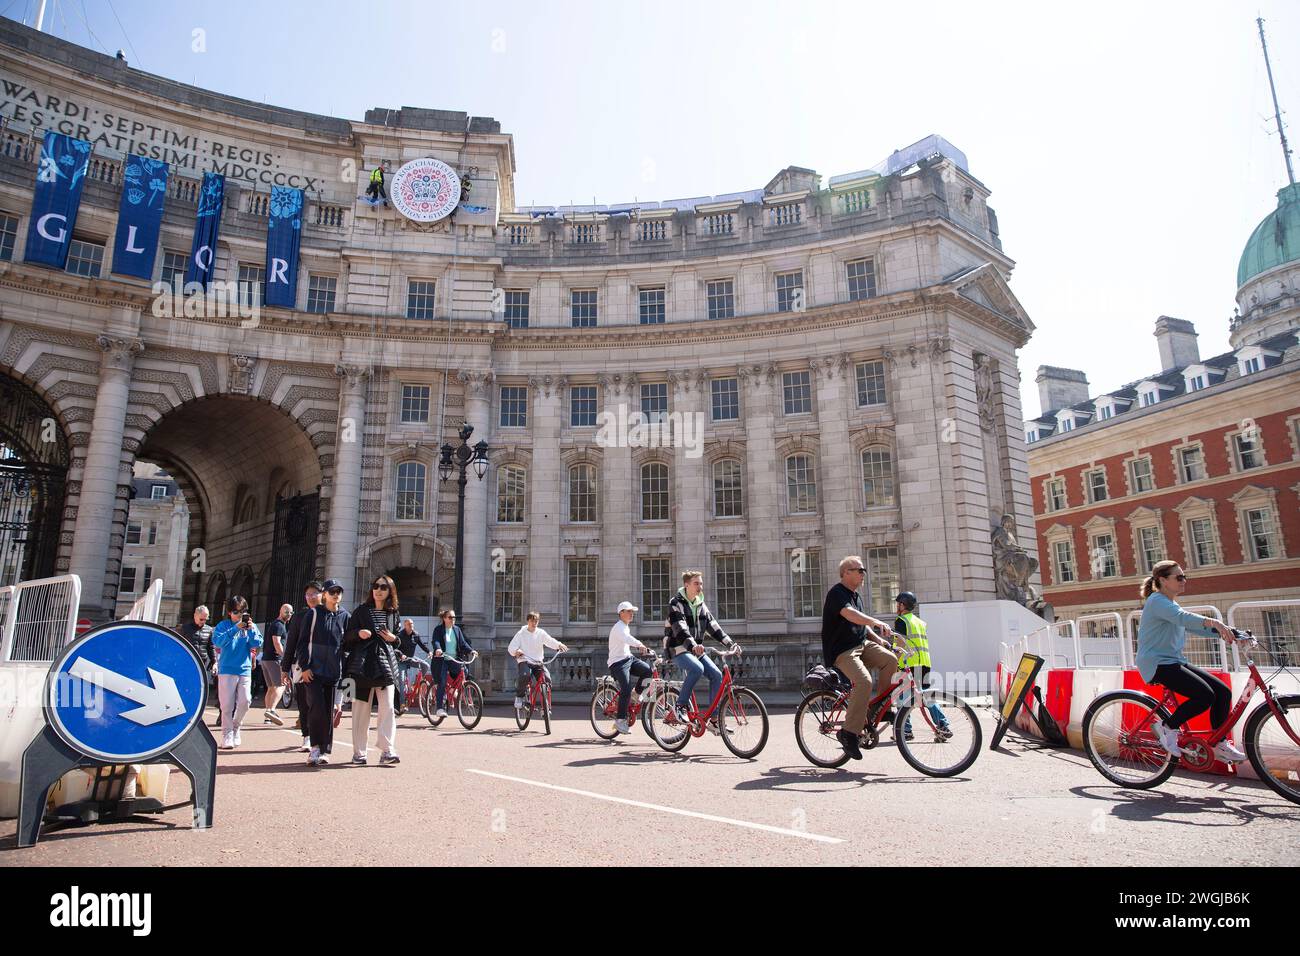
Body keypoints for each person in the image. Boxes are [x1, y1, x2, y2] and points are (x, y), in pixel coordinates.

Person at [1136, 560, 1245, 762]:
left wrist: (1231, 633)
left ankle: (1219, 743)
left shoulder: (1169, 603)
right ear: (1162, 580)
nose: (1184, 580)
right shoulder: (1157, 601)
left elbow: (1193, 627)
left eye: (1184, 576)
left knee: (1222, 692)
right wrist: (1215, 622)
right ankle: (1166, 726)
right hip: (1156, 663)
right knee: (1205, 695)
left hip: (1173, 661)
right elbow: (1183, 618)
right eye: (1179, 577)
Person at [821, 555, 903, 761]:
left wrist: (881, 641)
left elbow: (861, 625)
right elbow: (850, 615)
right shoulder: (837, 593)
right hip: (843, 651)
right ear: (846, 573)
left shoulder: (856, 596)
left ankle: (877, 710)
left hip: (861, 644)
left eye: (863, 570)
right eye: (859, 570)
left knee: (890, 660)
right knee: (864, 681)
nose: (863, 573)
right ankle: (848, 734)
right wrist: (876, 621)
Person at [663, 570, 739, 726]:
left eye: (701, 583)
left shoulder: (700, 604)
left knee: (717, 675)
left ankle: (714, 718)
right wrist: (692, 645)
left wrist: (731, 644)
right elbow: (680, 628)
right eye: (696, 583)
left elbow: (714, 627)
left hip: (695, 650)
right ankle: (680, 706)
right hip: (677, 648)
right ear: (686, 585)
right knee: (697, 669)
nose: (700, 587)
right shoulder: (675, 603)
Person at [290, 579, 350, 766]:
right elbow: (302, 642)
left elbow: (347, 645)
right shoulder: (314, 614)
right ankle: (315, 747)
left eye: (338, 591)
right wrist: (305, 666)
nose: (335, 594)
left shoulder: (345, 616)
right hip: (313, 670)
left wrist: (346, 673)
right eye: (331, 591)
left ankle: (325, 750)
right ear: (324, 594)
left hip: (333, 671)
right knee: (315, 707)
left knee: (329, 710)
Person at [343, 574, 402, 766]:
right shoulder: (361, 611)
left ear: (390, 591)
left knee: (388, 708)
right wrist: (359, 634)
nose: (378, 590)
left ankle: (387, 750)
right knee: (360, 710)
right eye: (376, 586)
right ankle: (359, 752)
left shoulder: (393, 613)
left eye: (383, 587)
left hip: (385, 665)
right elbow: (347, 638)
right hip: (362, 665)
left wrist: (394, 639)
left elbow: (399, 640)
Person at [892, 591, 952, 742]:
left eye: (898, 603)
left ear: (903, 605)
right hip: (924, 663)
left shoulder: (901, 621)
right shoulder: (919, 622)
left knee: (903, 697)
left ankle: (905, 731)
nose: (896, 606)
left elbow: (900, 643)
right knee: (926, 695)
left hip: (909, 664)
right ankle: (943, 726)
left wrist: (895, 662)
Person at [210, 595, 264, 750]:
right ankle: (227, 734)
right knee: (226, 705)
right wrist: (236, 628)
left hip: (244, 669)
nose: (239, 615)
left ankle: (236, 726)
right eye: (236, 611)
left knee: (245, 701)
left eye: (243, 611)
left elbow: (257, 643)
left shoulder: (250, 627)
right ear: (229, 612)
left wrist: (251, 629)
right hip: (226, 669)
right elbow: (218, 642)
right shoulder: (223, 625)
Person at [281, 581, 322, 752]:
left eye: (314, 593)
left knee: (319, 702)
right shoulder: (299, 617)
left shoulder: (329, 614)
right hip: (301, 664)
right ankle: (307, 736)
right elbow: (291, 643)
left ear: (322, 594)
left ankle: (320, 738)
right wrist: (284, 667)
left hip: (322, 663)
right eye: (308, 594)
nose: (311, 597)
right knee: (304, 701)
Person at [508, 612, 567, 716]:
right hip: (525, 660)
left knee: (547, 679)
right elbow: (511, 647)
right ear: (528, 621)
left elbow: (549, 641)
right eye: (532, 621)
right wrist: (516, 651)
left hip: (538, 662)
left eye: (536, 621)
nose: (534, 623)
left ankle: (546, 707)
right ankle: (519, 697)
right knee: (525, 675)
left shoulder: (540, 633)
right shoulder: (521, 634)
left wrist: (559, 645)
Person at [608, 601, 650, 735]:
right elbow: (627, 639)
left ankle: (636, 694)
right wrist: (639, 645)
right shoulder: (618, 627)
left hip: (628, 659)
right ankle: (620, 720)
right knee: (625, 688)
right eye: (629, 611)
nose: (632, 614)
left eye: (632, 611)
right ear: (621, 613)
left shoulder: (625, 626)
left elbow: (627, 640)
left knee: (648, 671)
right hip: (617, 663)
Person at [430, 609, 474, 718]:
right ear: (444, 619)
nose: (452, 620)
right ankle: (440, 708)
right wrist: (438, 649)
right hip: (442, 659)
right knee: (442, 682)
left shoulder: (457, 630)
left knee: (464, 672)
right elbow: (436, 641)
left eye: (454, 617)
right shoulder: (439, 629)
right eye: (450, 617)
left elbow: (463, 644)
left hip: (454, 659)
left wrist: (471, 650)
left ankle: (452, 689)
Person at [261, 603, 292, 726]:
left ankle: (268, 716)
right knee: (281, 685)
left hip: (266, 659)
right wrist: (284, 657)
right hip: (274, 659)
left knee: (271, 688)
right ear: (280, 611)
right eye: (286, 612)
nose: (289, 614)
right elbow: (277, 642)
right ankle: (271, 710)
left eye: (290, 612)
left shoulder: (275, 624)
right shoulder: (279, 625)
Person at [395, 618, 430, 714]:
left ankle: (416, 685)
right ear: (405, 625)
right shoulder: (400, 635)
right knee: (401, 681)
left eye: (412, 624)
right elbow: (395, 649)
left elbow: (422, 645)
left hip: (411, 658)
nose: (411, 626)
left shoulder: (416, 635)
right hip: (402, 660)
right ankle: (402, 704)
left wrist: (429, 652)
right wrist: (401, 655)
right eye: (409, 624)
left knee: (425, 665)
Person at [178, 605, 214, 676]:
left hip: (202, 664)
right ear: (195, 616)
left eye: (205, 619)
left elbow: (210, 647)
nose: (203, 622)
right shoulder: (185, 628)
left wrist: (214, 662)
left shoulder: (209, 630)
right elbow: (178, 646)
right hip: (187, 662)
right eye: (201, 619)